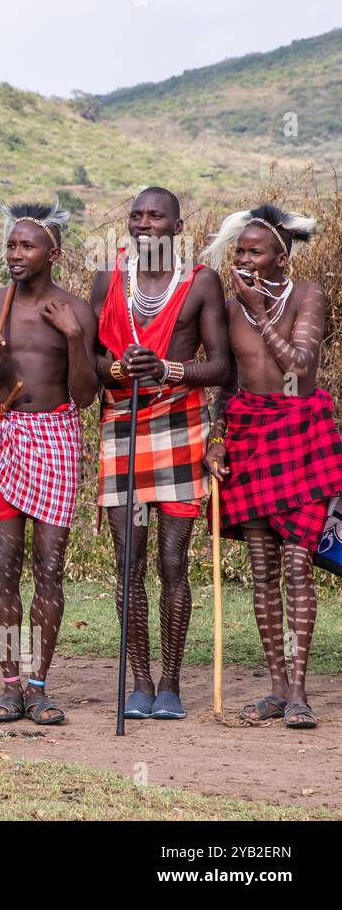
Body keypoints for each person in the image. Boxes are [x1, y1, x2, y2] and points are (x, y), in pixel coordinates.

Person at [0, 201, 97, 725]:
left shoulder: (76, 311)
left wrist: (76, 339)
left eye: (26, 245)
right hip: (2, 435)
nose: (15, 254)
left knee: (50, 568)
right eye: (11, 244)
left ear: (52, 253)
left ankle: (39, 686)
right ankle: (10, 685)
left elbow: (83, 396)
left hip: (55, 437)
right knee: (3, 568)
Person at [89, 187, 229, 721]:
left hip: (179, 426)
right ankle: (140, 680)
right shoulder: (107, 281)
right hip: (122, 425)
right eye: (136, 216)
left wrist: (169, 370)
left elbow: (221, 368)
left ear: (176, 224)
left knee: (172, 562)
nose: (144, 224)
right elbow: (90, 365)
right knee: (129, 564)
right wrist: (123, 369)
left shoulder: (199, 283)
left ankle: (170, 680)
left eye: (156, 216)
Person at [202, 204, 337, 729]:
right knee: (262, 571)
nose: (244, 260)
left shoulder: (307, 295)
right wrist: (218, 439)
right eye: (239, 252)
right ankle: (276, 687)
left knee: (298, 566)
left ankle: (301, 692)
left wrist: (259, 312)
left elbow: (300, 367)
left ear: (283, 257)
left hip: (301, 433)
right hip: (249, 435)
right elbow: (227, 383)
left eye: (255, 252)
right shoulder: (230, 307)